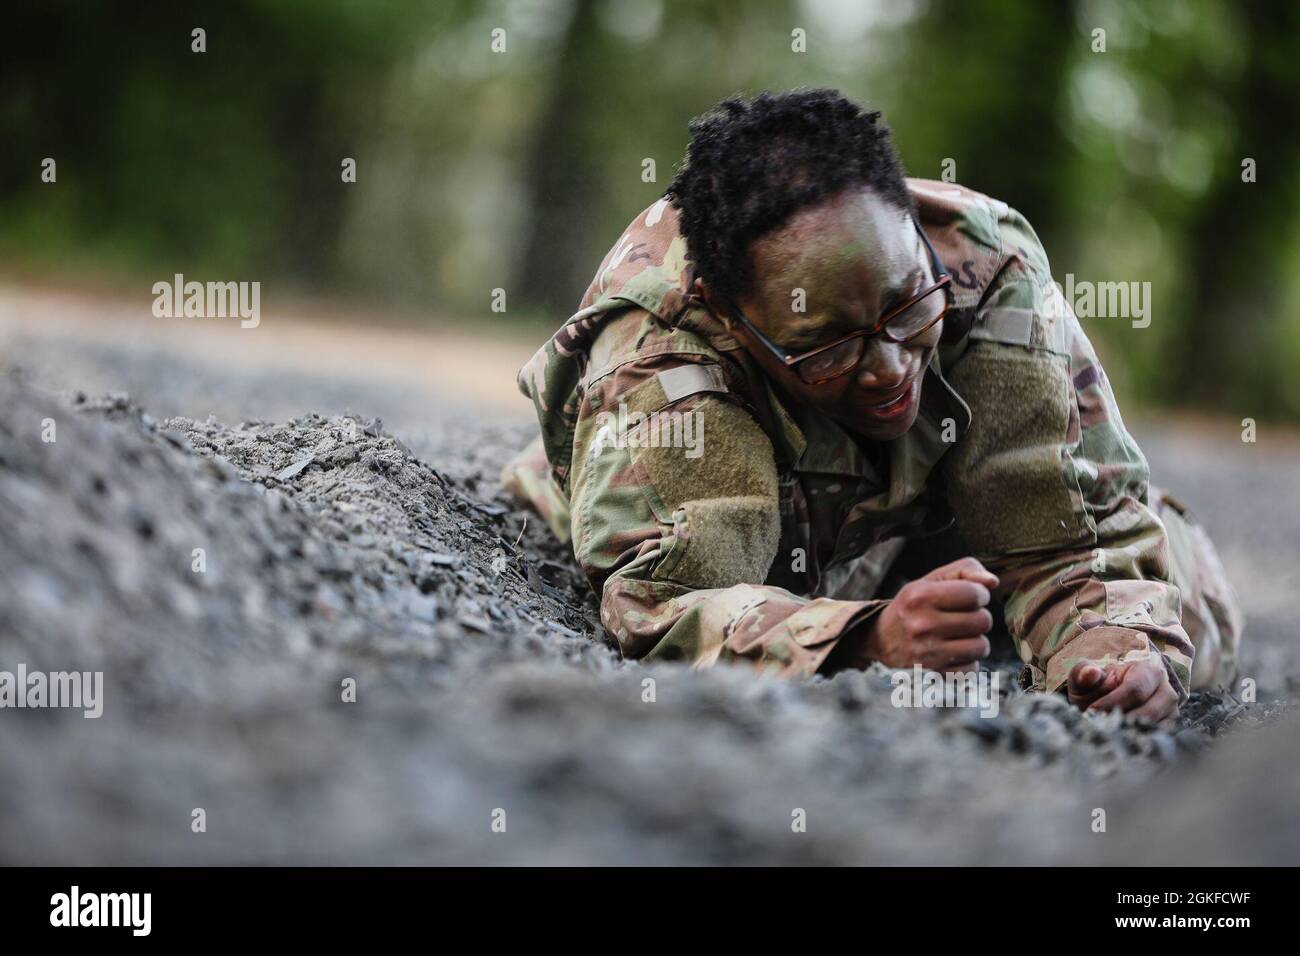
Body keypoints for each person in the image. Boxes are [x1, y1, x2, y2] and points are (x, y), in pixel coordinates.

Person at [503, 89, 1242, 722]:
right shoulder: (661, 358)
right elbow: (666, 605)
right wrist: (865, 640)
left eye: (907, 306)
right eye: (827, 347)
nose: (889, 369)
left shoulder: (981, 273)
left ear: (916, 235)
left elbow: (1073, 545)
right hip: (755, 512)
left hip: (927, 508)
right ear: (733, 322)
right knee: (766, 607)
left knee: (1190, 608)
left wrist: (1116, 659)